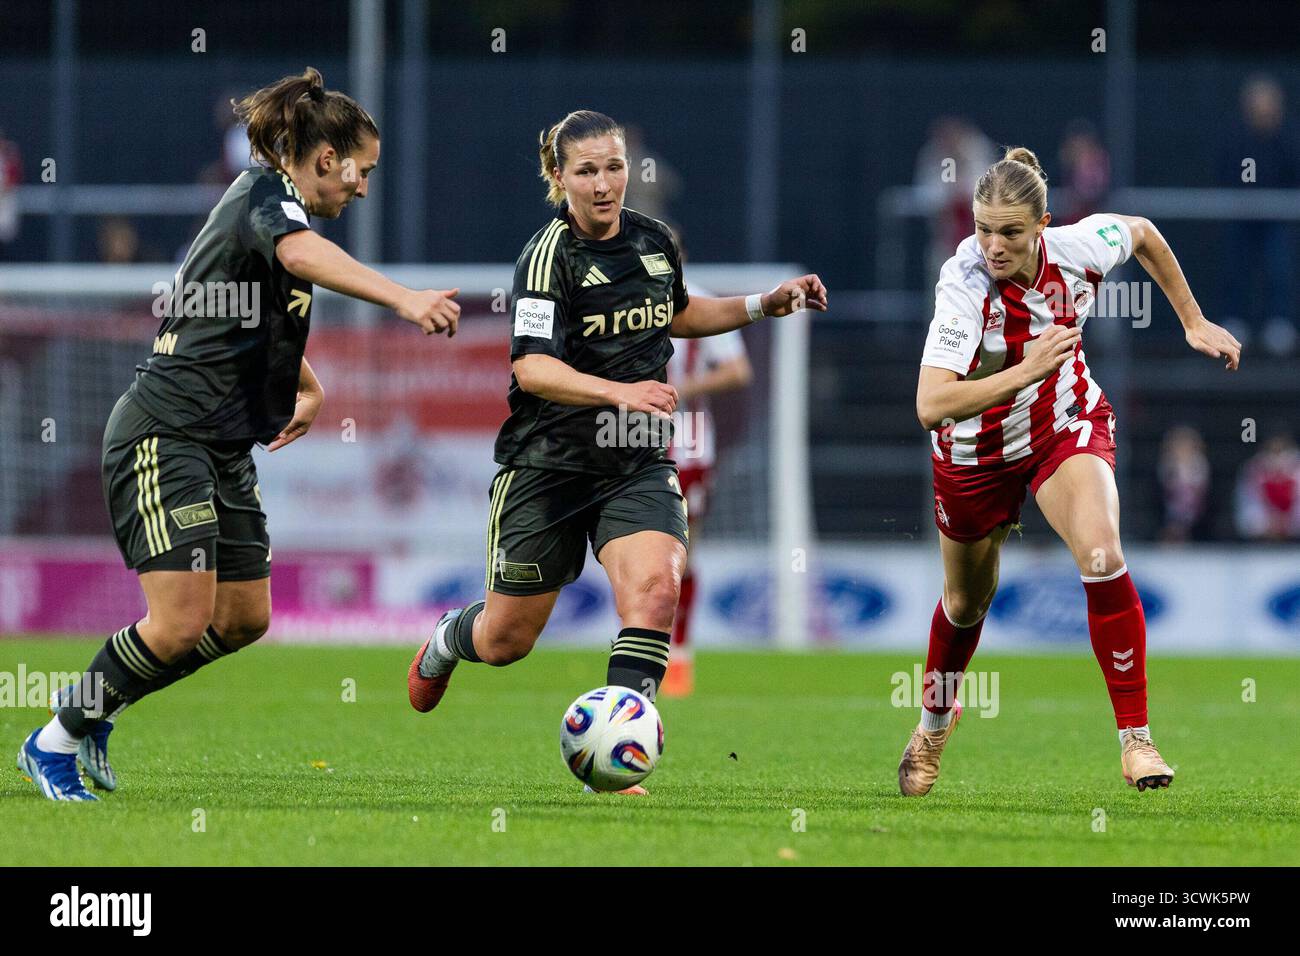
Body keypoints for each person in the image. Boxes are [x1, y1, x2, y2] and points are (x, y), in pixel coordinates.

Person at [18, 67, 461, 802]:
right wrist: (404, 298)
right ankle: (54, 739)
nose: (362, 187)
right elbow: (296, 258)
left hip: (220, 447)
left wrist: (307, 384)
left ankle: (101, 708)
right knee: (181, 620)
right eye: (362, 171)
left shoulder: (278, 211)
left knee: (242, 618)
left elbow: (242, 315)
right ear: (326, 158)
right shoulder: (265, 195)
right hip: (166, 434)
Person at [405, 109, 825, 794]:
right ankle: (452, 638)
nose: (604, 184)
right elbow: (532, 370)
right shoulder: (547, 258)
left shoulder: (656, 241)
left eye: (614, 167)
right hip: (547, 467)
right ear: (559, 177)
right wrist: (620, 392)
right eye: (587, 170)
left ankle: (622, 751)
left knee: (657, 591)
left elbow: (679, 312)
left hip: (635, 460)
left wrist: (761, 305)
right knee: (506, 641)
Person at [900, 146, 1241, 797]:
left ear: (1043, 224)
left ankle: (1137, 741)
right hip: (975, 452)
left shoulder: (1079, 246)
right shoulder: (962, 284)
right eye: (982, 228)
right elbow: (930, 404)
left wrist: (1192, 319)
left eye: (1010, 231)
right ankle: (932, 729)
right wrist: (1025, 370)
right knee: (966, 602)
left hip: (1063, 425)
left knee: (1103, 554)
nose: (993, 245)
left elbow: (1141, 232)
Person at [661, 286, 753, 697]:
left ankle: (678, 653)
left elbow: (737, 369)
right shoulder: (616, 298)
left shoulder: (698, 302)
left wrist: (679, 388)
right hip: (626, 445)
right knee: (631, 553)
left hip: (688, 448)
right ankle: (637, 648)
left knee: (682, 554)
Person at [1234, 433, 1300, 540]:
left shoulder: (1297, 468)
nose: (1277, 458)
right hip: (1264, 527)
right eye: (1273, 451)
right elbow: (1248, 501)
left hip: (1293, 525)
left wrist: (1288, 522)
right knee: (1253, 520)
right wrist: (1268, 522)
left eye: (1282, 450)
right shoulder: (1253, 468)